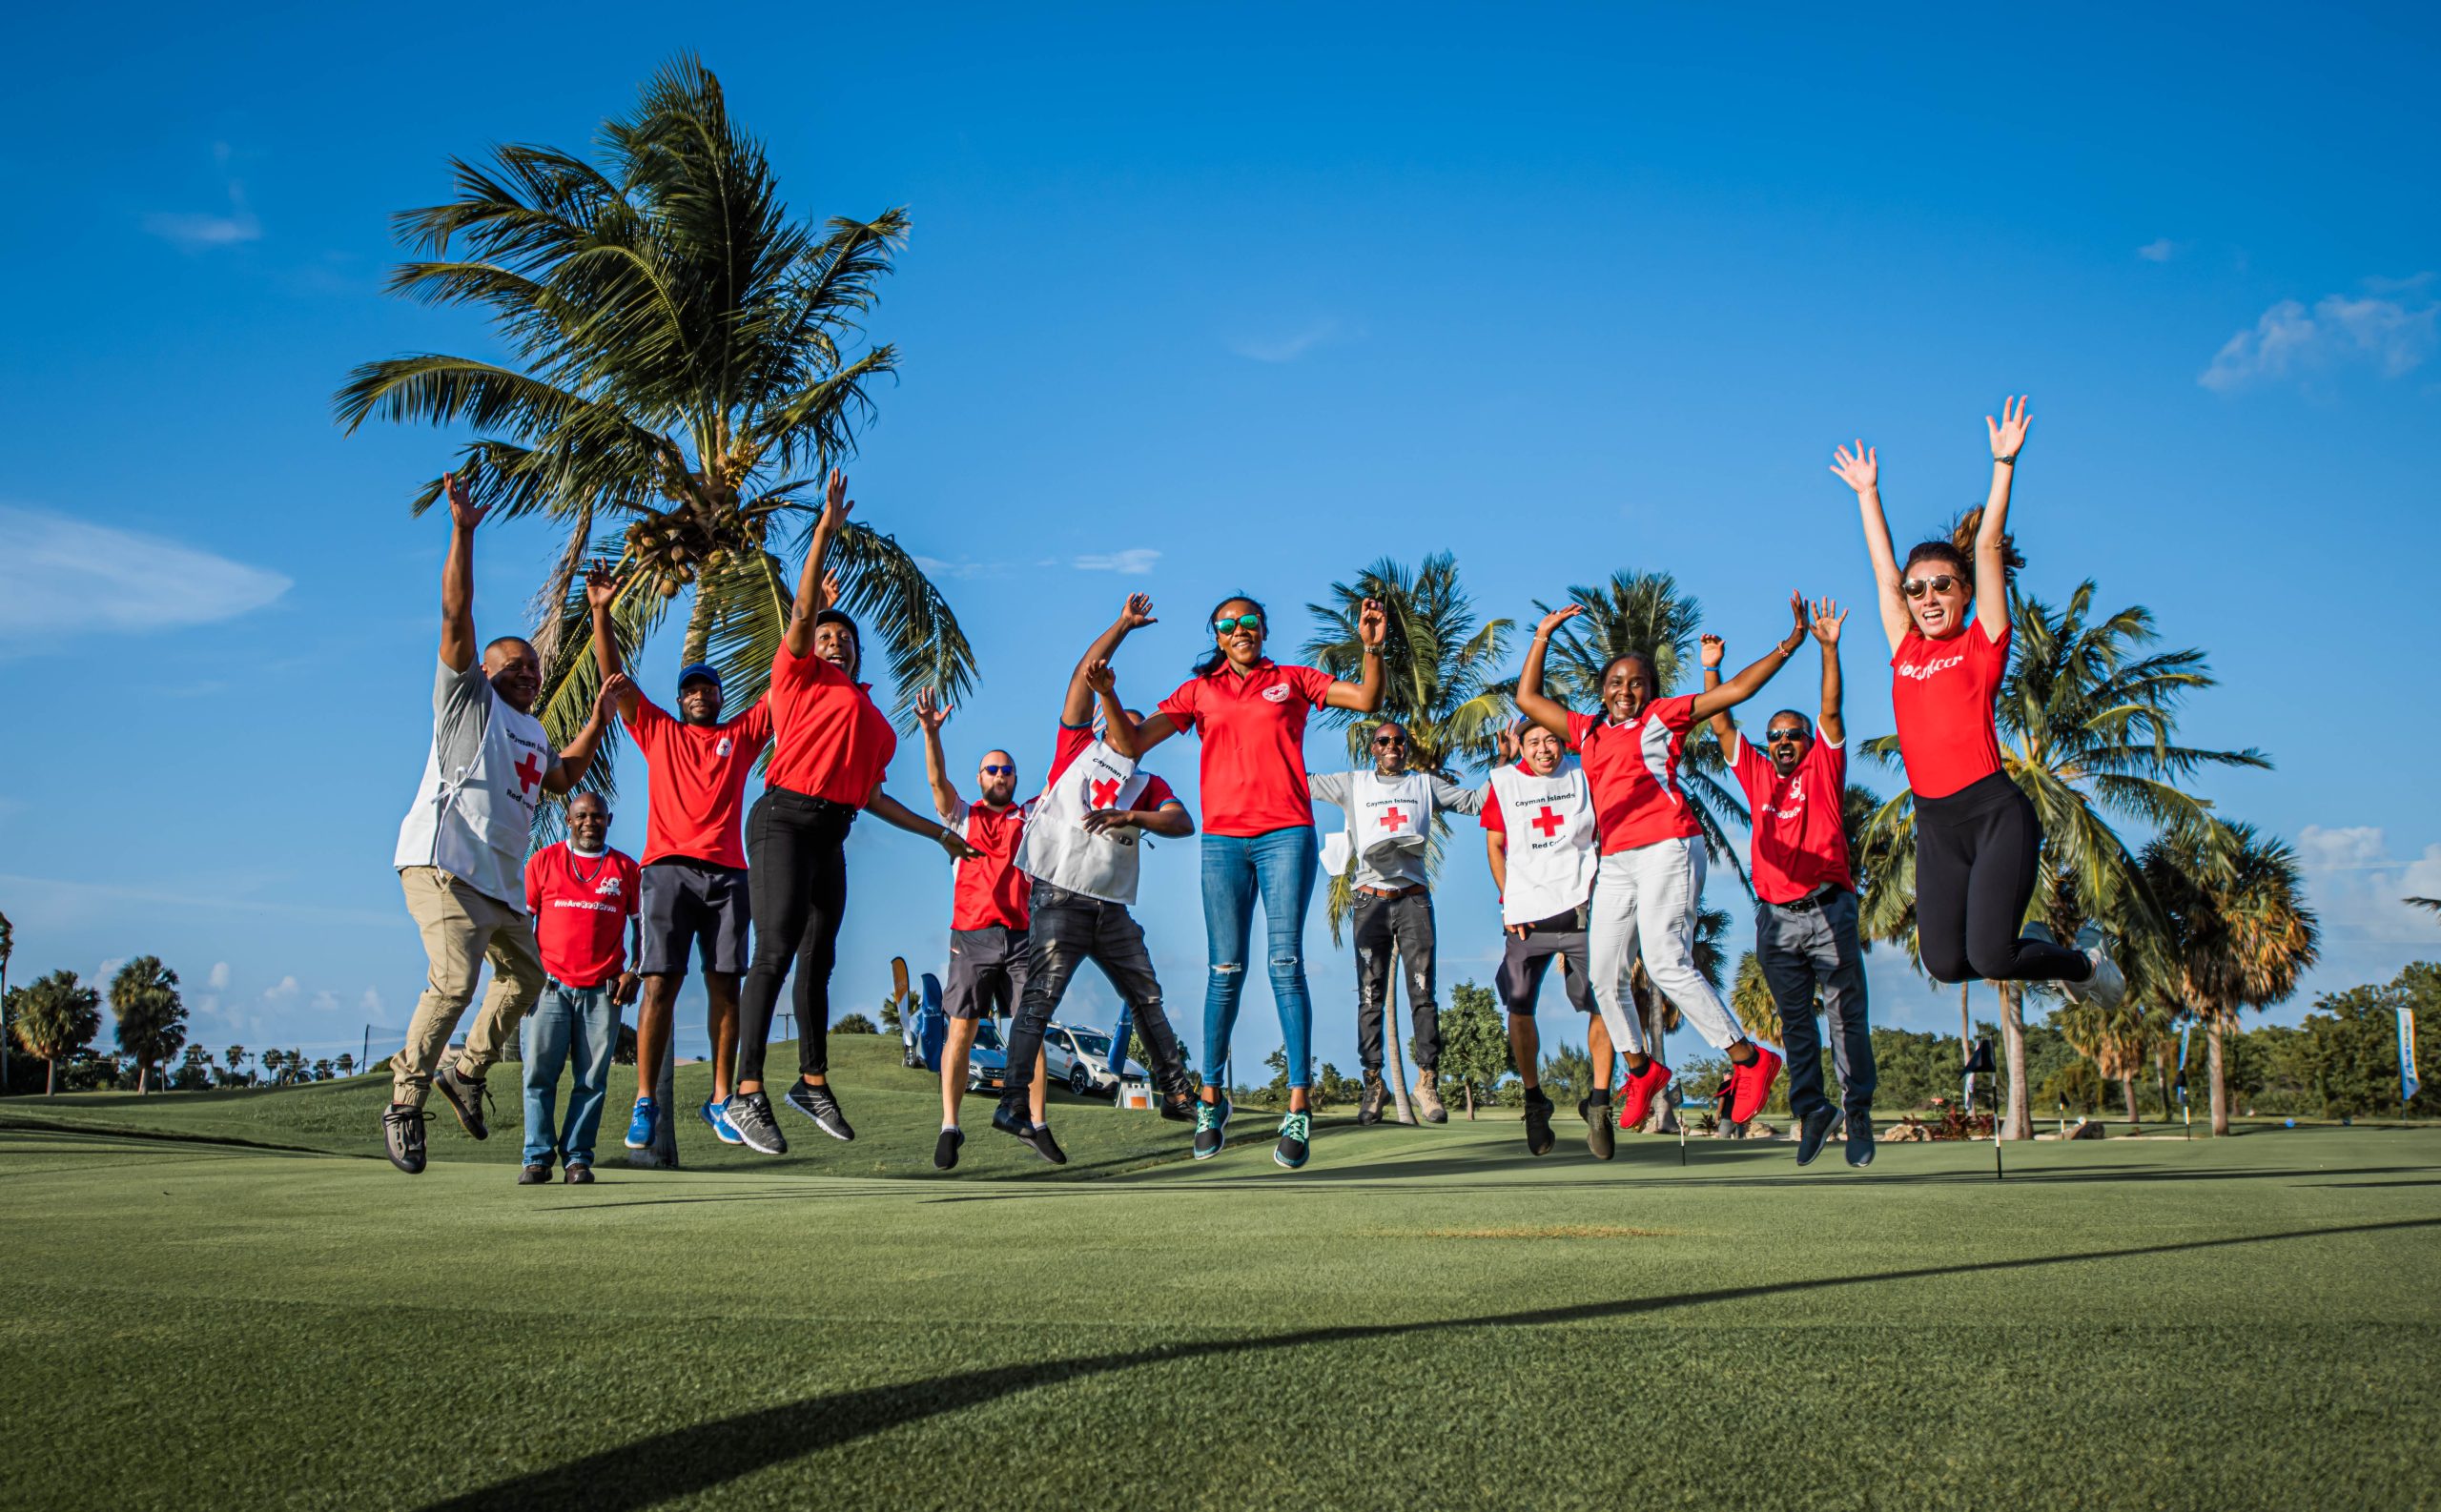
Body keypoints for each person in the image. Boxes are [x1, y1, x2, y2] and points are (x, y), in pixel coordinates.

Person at [1828, 398, 2123, 1012]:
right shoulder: (1904, 645)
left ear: (1964, 592)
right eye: (1918, 590)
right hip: (1937, 825)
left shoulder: (1982, 644)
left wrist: (2004, 464)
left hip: (1994, 814)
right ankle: (2041, 943)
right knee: (1946, 961)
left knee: (1993, 956)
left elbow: (1987, 546)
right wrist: (1866, 493)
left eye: (1943, 585)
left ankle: (2084, 962)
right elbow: (1885, 572)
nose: (1928, 597)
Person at [724, 469, 984, 1157]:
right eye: (826, 635)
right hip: (782, 818)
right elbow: (805, 613)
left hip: (832, 834)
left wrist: (939, 835)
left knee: (819, 962)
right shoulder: (799, 676)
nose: (834, 640)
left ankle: (811, 1080)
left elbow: (873, 797)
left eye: (846, 638)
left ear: (859, 653)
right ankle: (744, 1092)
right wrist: (822, 536)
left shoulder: (877, 724)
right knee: (774, 951)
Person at [383, 470, 626, 1176]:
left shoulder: (531, 730)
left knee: (526, 975)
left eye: (533, 670)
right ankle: (405, 1102)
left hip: (496, 885)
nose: (527, 673)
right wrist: (462, 532)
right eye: (513, 665)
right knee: (455, 982)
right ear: (485, 672)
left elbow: (560, 777)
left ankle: (466, 1069)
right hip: (442, 866)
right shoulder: (467, 703)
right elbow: (456, 616)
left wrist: (595, 721)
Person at [1513, 595, 1813, 1143]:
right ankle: (1642, 1070)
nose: (1625, 691)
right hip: (1618, 862)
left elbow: (1737, 690)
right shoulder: (1587, 731)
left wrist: (1789, 644)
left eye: (1636, 683)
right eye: (1616, 683)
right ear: (1602, 690)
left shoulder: (1660, 718)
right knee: (1603, 974)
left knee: (1665, 960)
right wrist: (1543, 635)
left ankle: (1749, 1062)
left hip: (1669, 847)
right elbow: (1527, 697)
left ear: (1650, 691)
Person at [1103, 593, 1385, 1169]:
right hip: (1223, 842)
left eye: (1249, 622)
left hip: (1286, 834)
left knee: (1285, 965)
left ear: (1263, 628)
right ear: (1216, 634)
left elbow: (1366, 698)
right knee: (1224, 971)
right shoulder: (1198, 692)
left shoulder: (1293, 680)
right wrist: (1108, 694)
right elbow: (1131, 743)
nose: (1240, 630)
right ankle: (1210, 1099)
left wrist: (1371, 648)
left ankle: (1299, 1106)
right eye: (1228, 625)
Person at [990, 596, 1200, 1164]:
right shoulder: (1076, 748)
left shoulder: (1149, 785)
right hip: (1060, 896)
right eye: (1122, 722)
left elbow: (1183, 823)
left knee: (1146, 995)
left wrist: (1133, 816)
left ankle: (1177, 1091)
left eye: (1138, 728)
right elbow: (1082, 675)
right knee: (1040, 998)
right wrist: (1123, 627)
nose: (1129, 731)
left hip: (1112, 908)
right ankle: (1012, 1102)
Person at [585, 566, 769, 1154]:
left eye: (707, 689)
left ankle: (719, 1099)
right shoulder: (657, 730)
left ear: (719, 696)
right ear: (679, 697)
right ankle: (645, 1100)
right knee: (658, 983)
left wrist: (812, 614)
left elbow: (786, 684)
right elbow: (613, 677)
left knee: (726, 987)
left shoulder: (740, 736)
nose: (698, 696)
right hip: (666, 871)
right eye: (689, 689)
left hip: (727, 875)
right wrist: (601, 611)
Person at [1701, 600, 1877, 1168]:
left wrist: (1827, 648)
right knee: (1796, 1022)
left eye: (1792, 735)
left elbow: (1831, 708)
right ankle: (1813, 1111)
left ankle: (1859, 1114)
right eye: (1775, 734)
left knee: (1845, 1016)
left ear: (1806, 741)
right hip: (1775, 919)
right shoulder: (1754, 772)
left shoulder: (1822, 768)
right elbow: (1722, 721)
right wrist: (1712, 668)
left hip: (1829, 910)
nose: (1782, 741)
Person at [1308, 719, 1487, 1125]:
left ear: (1407, 748)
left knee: (1422, 993)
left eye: (1399, 741)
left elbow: (1475, 802)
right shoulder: (1352, 783)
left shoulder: (1425, 786)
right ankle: (1374, 1083)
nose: (1392, 746)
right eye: (1383, 741)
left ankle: (1427, 1081)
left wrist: (1509, 768)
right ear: (1372, 748)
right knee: (1370, 996)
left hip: (1413, 900)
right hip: (1370, 901)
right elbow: (1302, 781)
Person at [913, 687, 1050, 1168]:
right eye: (991, 769)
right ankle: (950, 1126)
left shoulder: (1029, 814)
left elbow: (1066, 781)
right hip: (971, 937)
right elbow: (935, 783)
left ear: (1015, 778)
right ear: (979, 778)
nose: (999, 775)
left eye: (1006, 769)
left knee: (1029, 1031)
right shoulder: (963, 816)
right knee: (962, 1031)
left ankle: (1036, 1124)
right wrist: (931, 732)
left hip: (1021, 936)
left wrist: (1096, 744)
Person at [1484, 717, 1616, 1157]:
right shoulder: (1503, 783)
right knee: (1519, 1004)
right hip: (1527, 919)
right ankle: (1534, 1099)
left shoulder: (1582, 773)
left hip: (1581, 912)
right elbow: (1496, 845)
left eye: (1552, 740)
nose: (1544, 750)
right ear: (1520, 746)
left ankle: (1599, 1103)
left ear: (1564, 742)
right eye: (1534, 741)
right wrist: (1509, 903)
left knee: (1604, 1004)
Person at [518, 791, 642, 1185]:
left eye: (598, 816)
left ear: (609, 820)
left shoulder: (625, 868)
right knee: (539, 1076)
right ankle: (537, 1158)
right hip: (549, 988)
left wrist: (634, 970)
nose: (590, 822)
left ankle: (577, 1159)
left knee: (591, 1081)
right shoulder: (543, 862)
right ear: (568, 820)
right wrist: (522, 980)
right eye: (582, 816)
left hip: (603, 993)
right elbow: (521, 928)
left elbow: (645, 929)